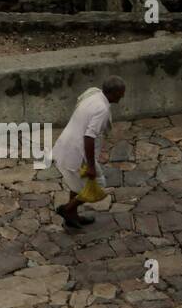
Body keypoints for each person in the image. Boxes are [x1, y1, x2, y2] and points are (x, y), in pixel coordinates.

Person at [52, 75, 127, 229]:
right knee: (98, 184)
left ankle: (72, 217)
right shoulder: (102, 109)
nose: (123, 96)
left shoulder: (93, 93)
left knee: (76, 185)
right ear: (113, 93)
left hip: (65, 146)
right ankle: (67, 209)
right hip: (76, 154)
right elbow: (89, 137)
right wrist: (91, 166)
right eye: (121, 92)